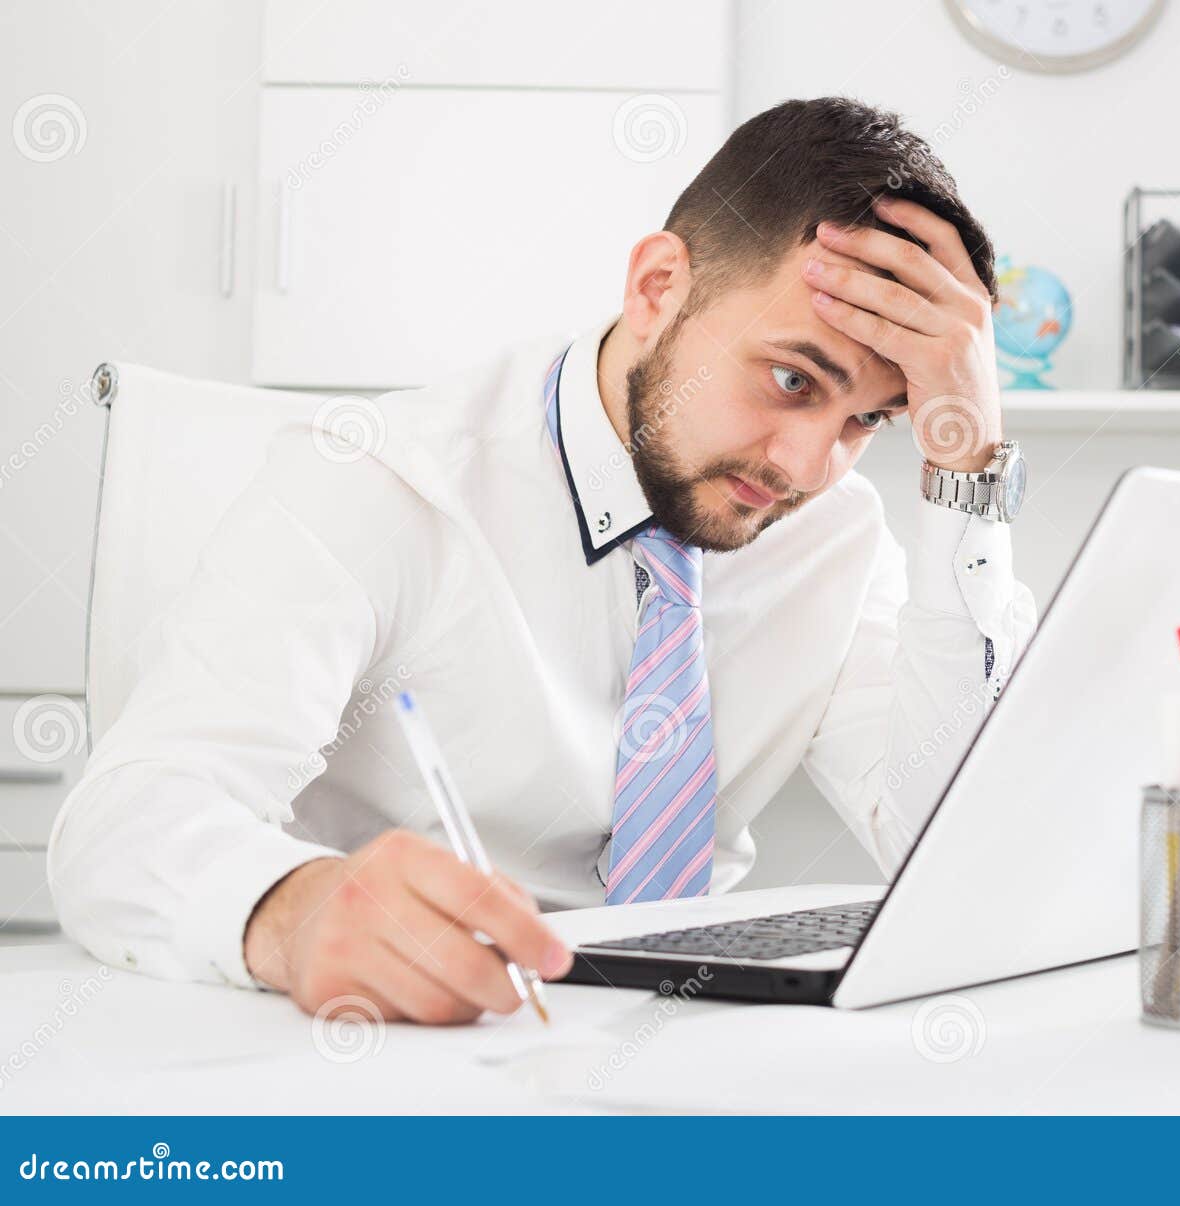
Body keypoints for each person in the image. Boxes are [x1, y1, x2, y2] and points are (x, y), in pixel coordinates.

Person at [48, 97, 1037, 1024]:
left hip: (693, 1048)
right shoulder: (381, 482)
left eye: (869, 418)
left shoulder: (836, 538)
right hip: (397, 1052)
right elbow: (126, 826)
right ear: (658, 288)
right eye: (790, 379)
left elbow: (954, 853)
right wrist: (291, 909)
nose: (807, 465)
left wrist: (968, 469)